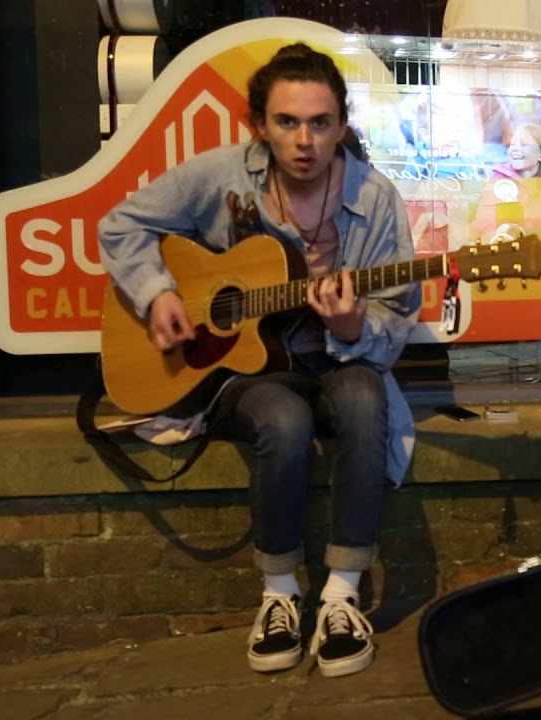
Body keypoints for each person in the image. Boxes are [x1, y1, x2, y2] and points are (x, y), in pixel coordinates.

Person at [97, 43, 421, 677]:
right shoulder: (220, 175)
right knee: (283, 419)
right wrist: (157, 291)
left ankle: (341, 594)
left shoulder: (376, 198)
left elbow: (395, 318)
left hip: (336, 360)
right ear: (259, 127)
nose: (305, 140)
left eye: (321, 123)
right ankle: (278, 595)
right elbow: (120, 225)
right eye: (287, 123)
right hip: (248, 370)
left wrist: (355, 324)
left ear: (342, 126)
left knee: (363, 397)